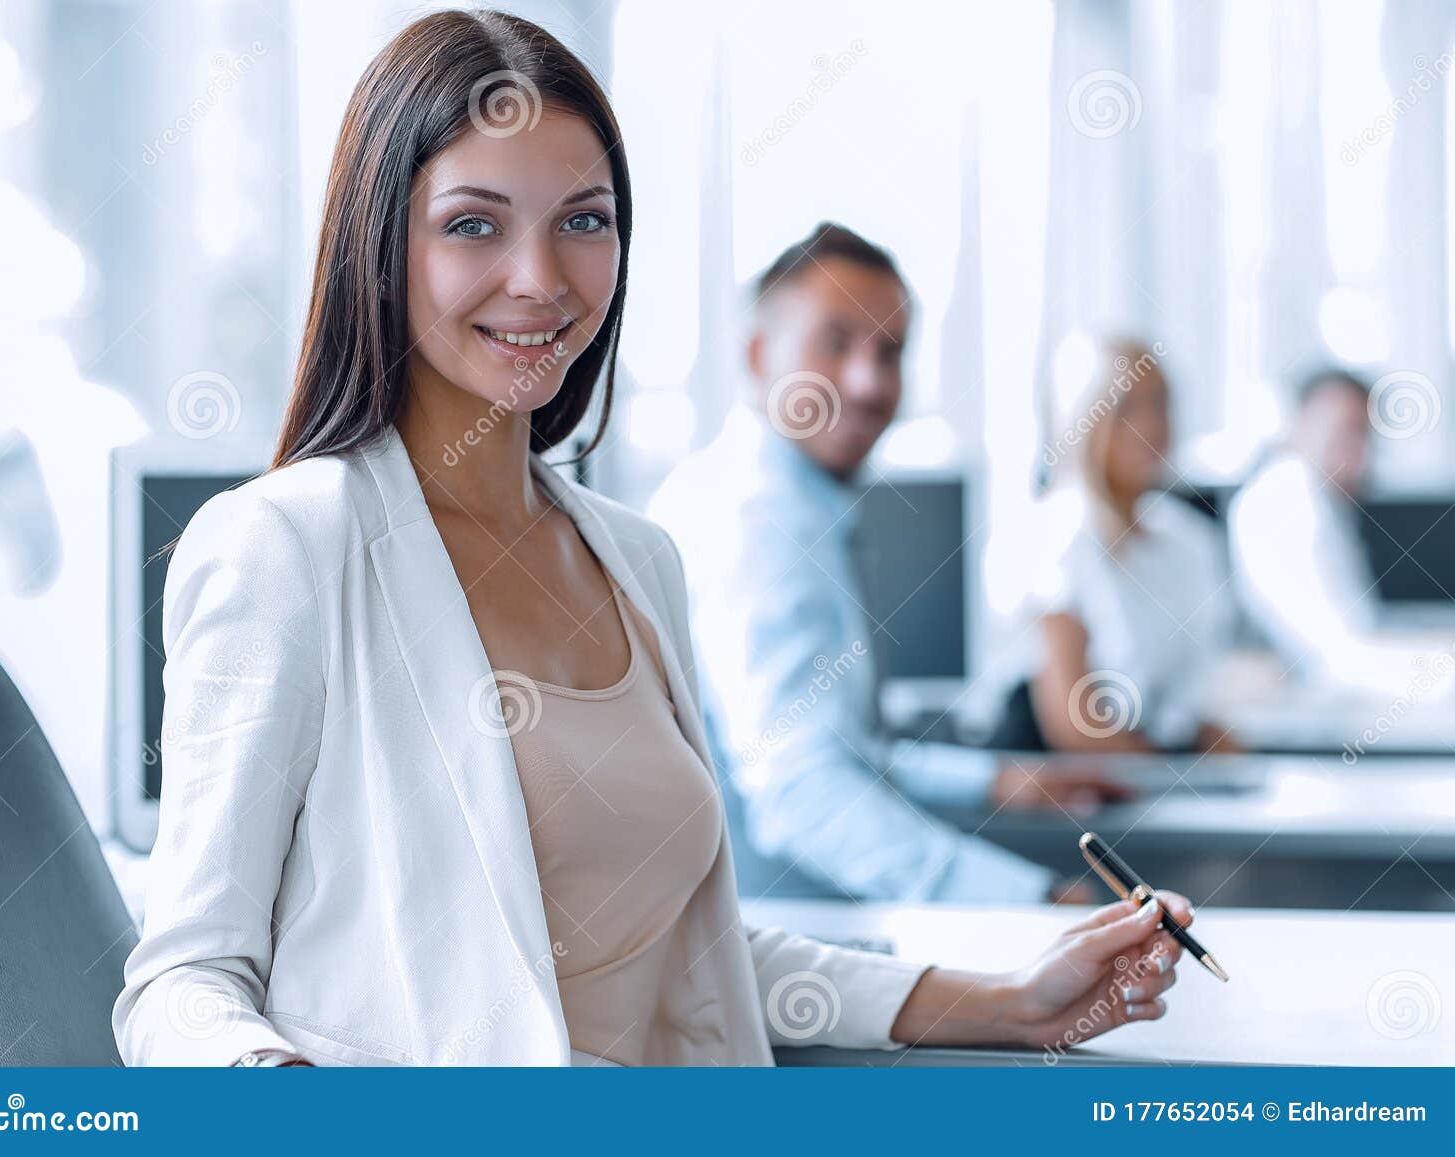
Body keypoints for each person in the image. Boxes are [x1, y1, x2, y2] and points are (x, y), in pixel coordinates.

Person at [114, 11, 1190, 1068]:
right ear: (381, 246)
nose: (540, 277)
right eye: (474, 224)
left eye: (582, 220)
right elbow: (183, 982)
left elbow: (688, 958)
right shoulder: (287, 546)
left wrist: (1008, 997)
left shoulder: (636, 559)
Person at [649, 224, 1128, 906]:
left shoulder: (788, 499)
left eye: (891, 350)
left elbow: (845, 752)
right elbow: (805, 792)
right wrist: (1033, 902)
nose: (870, 381)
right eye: (835, 342)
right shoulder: (755, 520)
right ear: (758, 355)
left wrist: (991, 783)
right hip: (778, 945)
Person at [982, 336, 1239, 754]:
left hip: (1151, 766)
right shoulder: (1049, 538)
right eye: (1125, 410)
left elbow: (1184, 701)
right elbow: (1075, 728)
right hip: (1070, 786)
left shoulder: (1186, 539)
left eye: (1160, 405)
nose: (1151, 428)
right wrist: (1181, 776)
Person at [1228, 368, 1447, 694]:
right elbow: (1339, 661)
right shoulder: (1287, 496)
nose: (1359, 454)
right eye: (1346, 432)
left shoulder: (1319, 500)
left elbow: (1361, 627)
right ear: (1299, 424)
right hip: (1316, 707)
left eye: (1365, 437)